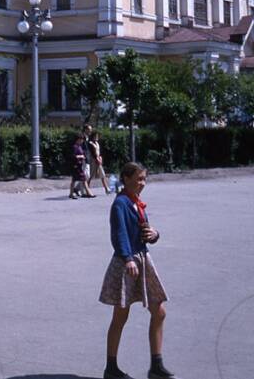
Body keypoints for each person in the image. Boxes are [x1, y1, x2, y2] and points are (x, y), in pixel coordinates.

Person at [99, 162, 174, 379]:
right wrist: (128, 259)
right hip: (127, 263)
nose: (142, 183)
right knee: (120, 316)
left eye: (144, 179)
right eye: (138, 179)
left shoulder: (136, 203)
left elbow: (144, 231)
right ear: (126, 178)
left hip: (142, 259)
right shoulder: (120, 204)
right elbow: (119, 234)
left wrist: (155, 234)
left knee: (159, 311)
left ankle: (156, 366)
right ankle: (111, 368)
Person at [69, 132, 95, 198]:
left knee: (80, 179)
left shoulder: (79, 147)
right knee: (79, 179)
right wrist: (81, 156)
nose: (82, 141)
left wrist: (83, 157)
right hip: (76, 166)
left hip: (79, 166)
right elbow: (73, 156)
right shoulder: (75, 147)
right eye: (81, 139)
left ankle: (72, 193)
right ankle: (88, 193)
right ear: (77, 139)